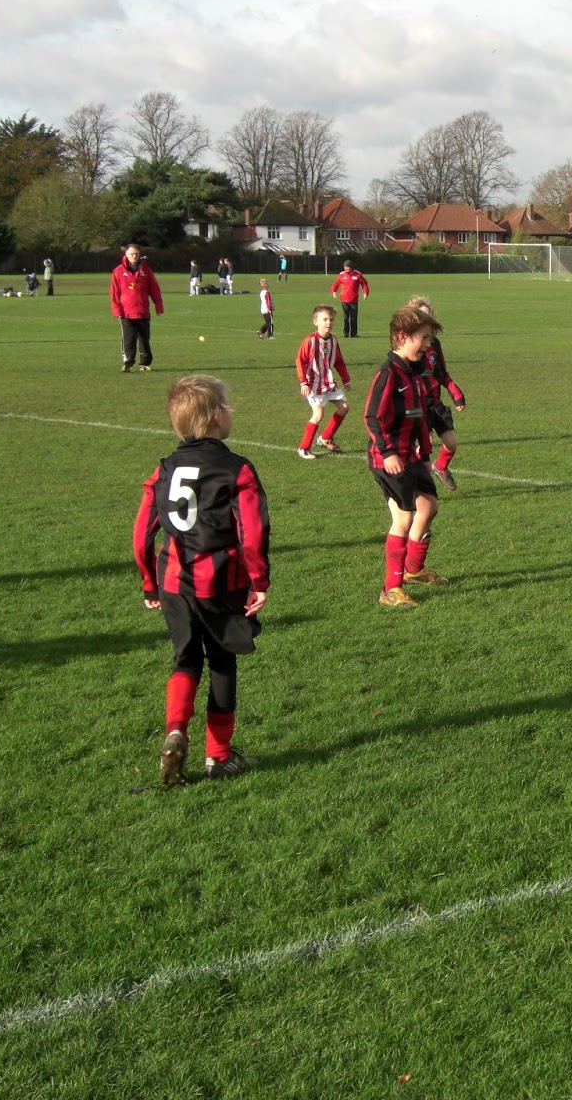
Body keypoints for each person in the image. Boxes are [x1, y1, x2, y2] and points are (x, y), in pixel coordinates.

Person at [132, 375, 269, 784]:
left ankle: (176, 730)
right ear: (213, 418)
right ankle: (219, 756)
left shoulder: (164, 468)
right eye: (227, 406)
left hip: (174, 581)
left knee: (185, 659)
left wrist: (148, 582)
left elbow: (142, 531)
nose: (231, 412)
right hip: (220, 582)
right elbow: (253, 531)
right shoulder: (237, 468)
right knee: (222, 662)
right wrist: (259, 580)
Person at [365, 305, 447, 607]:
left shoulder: (414, 372)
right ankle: (391, 589)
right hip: (387, 457)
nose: (428, 345)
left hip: (411, 456)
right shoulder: (388, 373)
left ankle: (414, 570)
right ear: (402, 337)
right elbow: (372, 417)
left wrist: (425, 454)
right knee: (404, 517)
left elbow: (420, 417)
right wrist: (387, 452)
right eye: (423, 338)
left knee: (429, 507)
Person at [405, 297, 468, 491]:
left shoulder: (436, 344)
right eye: (423, 316)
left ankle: (440, 467)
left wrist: (456, 393)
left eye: (429, 315)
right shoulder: (410, 346)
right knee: (424, 446)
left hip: (436, 404)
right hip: (418, 406)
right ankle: (416, 485)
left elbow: (442, 373)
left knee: (451, 443)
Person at [295, 304, 351, 459]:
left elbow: (339, 361)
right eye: (325, 319)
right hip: (313, 384)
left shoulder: (333, 340)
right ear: (315, 322)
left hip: (328, 382)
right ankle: (304, 448)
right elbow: (300, 361)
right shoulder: (310, 341)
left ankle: (325, 438)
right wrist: (303, 382)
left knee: (344, 407)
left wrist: (346, 379)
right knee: (318, 414)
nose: (329, 323)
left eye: (331, 319)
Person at [111, 242, 164, 373]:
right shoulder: (118, 271)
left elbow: (154, 288)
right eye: (131, 254)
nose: (134, 256)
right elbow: (114, 292)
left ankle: (145, 363)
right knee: (129, 339)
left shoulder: (146, 270)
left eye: (136, 254)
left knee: (144, 340)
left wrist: (158, 305)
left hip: (143, 311)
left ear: (139, 255)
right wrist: (117, 309)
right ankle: (127, 363)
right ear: (126, 255)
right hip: (126, 311)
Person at [331, 258, 369, 338]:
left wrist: (365, 293)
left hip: (354, 300)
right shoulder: (341, 275)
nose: (346, 268)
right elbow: (336, 284)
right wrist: (334, 291)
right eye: (345, 267)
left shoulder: (357, 274)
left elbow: (364, 283)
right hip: (344, 300)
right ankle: (346, 333)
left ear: (351, 267)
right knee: (345, 317)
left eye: (347, 267)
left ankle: (354, 333)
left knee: (353, 318)